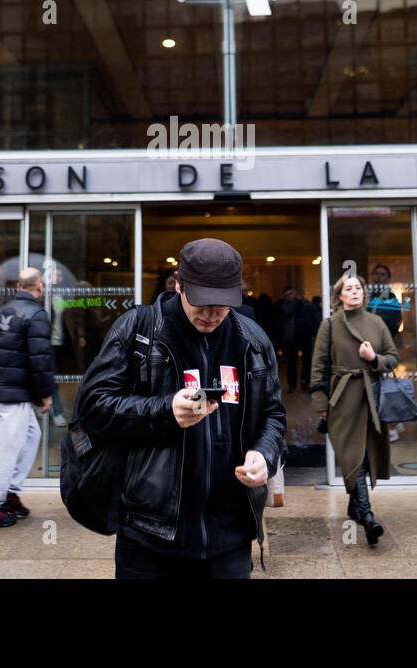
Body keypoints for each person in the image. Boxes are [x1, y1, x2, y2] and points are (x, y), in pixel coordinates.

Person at [76, 237, 286, 579]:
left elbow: (273, 416)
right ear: (178, 285)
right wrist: (163, 411)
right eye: (202, 302)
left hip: (229, 536)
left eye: (222, 304)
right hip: (150, 536)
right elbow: (93, 407)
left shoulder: (252, 341)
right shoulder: (138, 330)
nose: (211, 314)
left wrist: (263, 455)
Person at [311, 271, 400, 547]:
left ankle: (356, 508)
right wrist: (321, 405)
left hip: (370, 398)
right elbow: (318, 366)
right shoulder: (330, 325)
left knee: (361, 455)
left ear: (364, 293)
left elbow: (393, 358)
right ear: (339, 296)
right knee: (353, 456)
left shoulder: (376, 323)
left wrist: (374, 358)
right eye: (348, 289)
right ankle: (368, 515)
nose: (354, 292)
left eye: (358, 288)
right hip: (342, 399)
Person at [0, 267, 55, 530]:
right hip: (15, 393)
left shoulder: (1, 311)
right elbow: (40, 360)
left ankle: (9, 492)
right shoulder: (37, 314)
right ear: (39, 287)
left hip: (7, 391)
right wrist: (45, 394)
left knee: (32, 436)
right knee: (8, 449)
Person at [367, 264, 403, 338]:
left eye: (382, 274)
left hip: (385, 336)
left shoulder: (391, 297)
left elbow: (396, 320)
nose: (379, 277)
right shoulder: (367, 295)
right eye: (376, 273)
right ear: (372, 276)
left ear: (388, 278)